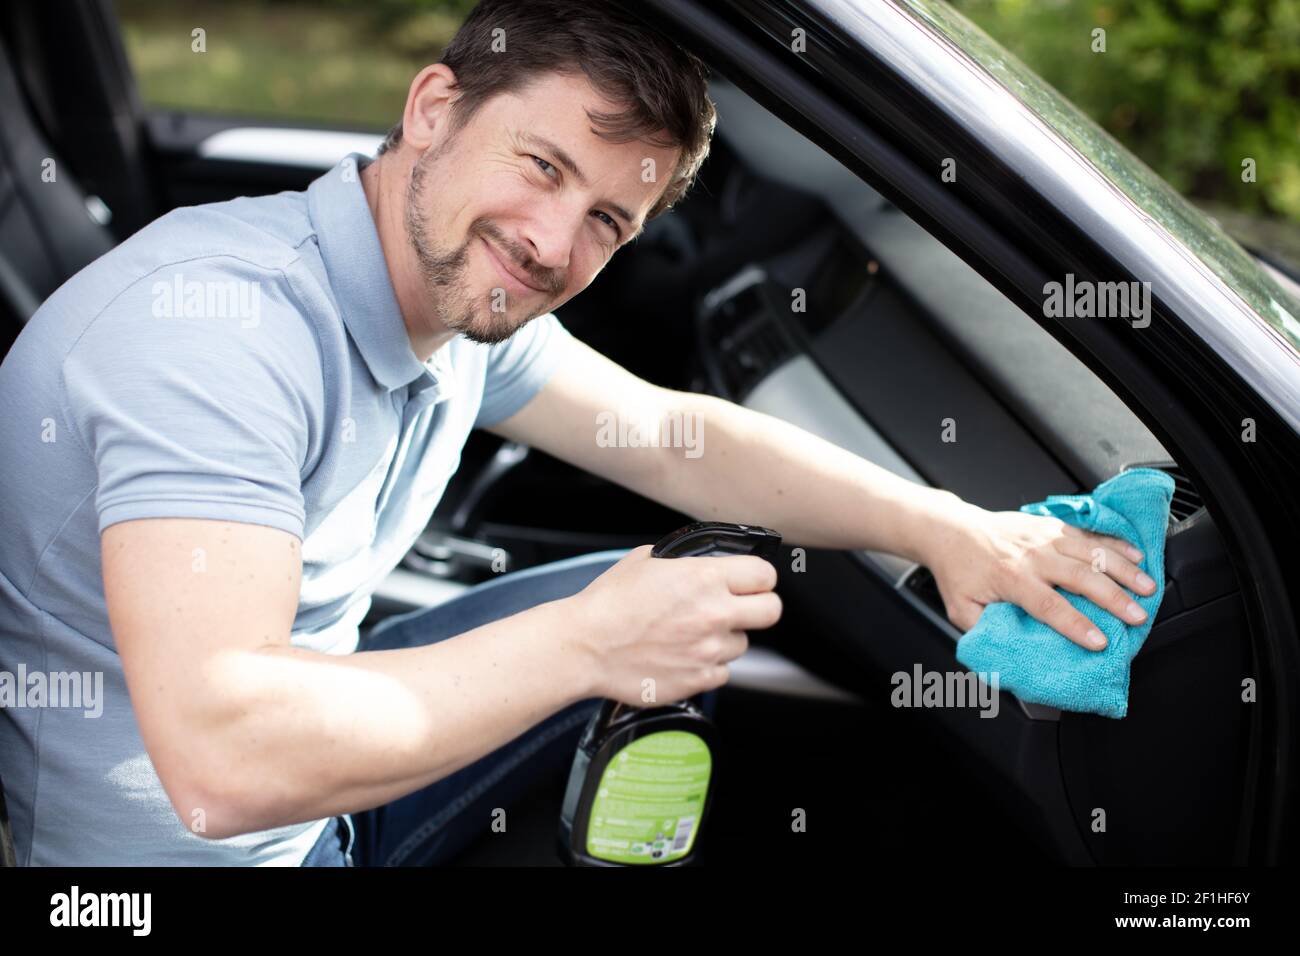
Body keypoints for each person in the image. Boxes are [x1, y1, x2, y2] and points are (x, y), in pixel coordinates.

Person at [0, 0, 1157, 866]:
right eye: (541, 166)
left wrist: (948, 527)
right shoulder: (217, 334)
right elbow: (220, 762)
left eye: (606, 216)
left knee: (680, 590)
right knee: (632, 619)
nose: (554, 244)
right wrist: (590, 646)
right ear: (434, 108)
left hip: (316, 780)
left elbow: (669, 436)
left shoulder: (459, 298)